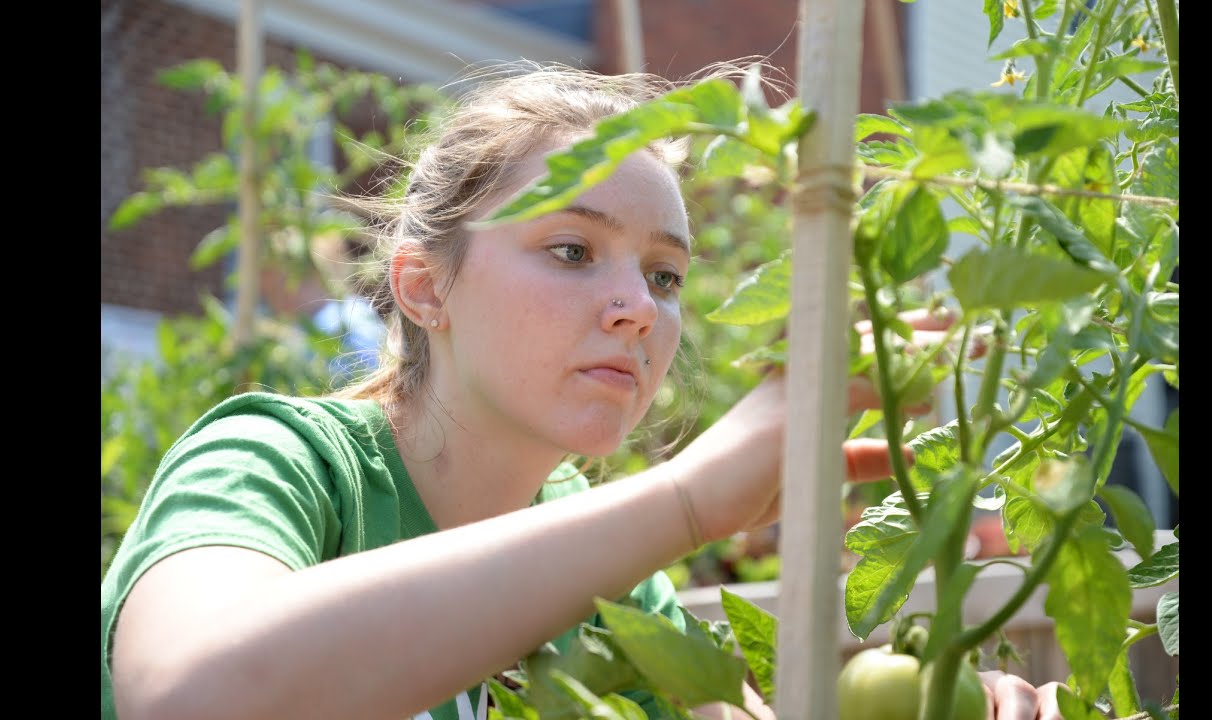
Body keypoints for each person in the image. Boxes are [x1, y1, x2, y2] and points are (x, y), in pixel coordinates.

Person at [101, 62, 1066, 720]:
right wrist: (686, 500)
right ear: (424, 287)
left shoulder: (610, 583)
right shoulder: (278, 465)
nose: (639, 309)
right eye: (572, 250)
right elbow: (189, 696)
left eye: (664, 275)